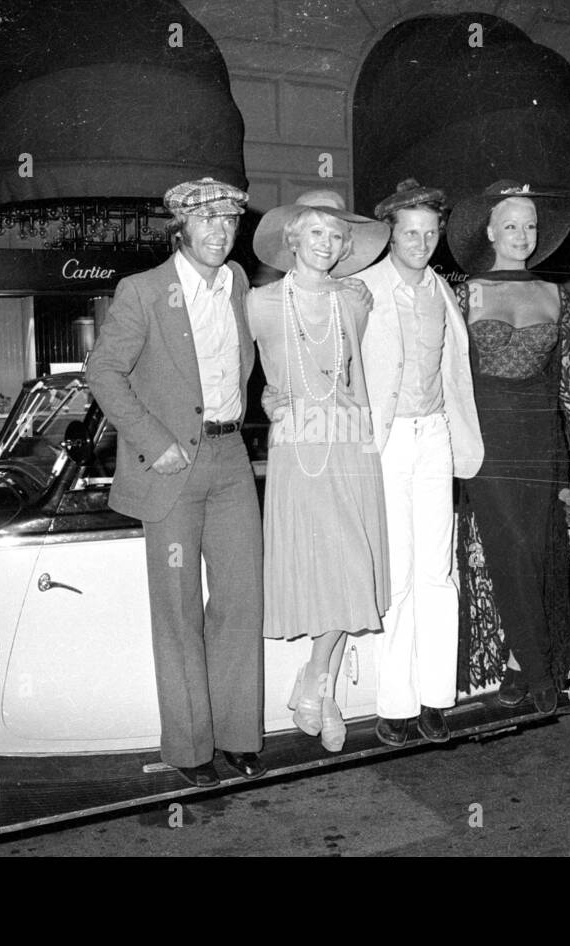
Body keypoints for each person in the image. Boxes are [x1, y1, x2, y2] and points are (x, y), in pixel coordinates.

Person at [85, 176, 265, 788]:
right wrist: (153, 442)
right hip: (173, 469)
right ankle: (189, 750)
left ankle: (239, 736)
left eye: (229, 222)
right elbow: (102, 372)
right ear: (180, 228)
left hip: (231, 457)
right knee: (179, 611)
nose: (220, 233)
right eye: (207, 222)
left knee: (242, 601)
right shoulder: (142, 291)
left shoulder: (239, 283)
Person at [447, 180, 570, 714]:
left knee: (535, 548)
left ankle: (518, 662)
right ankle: (540, 674)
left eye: (529, 225)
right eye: (510, 224)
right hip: (485, 435)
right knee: (508, 543)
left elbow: (567, 376)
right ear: (490, 231)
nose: (521, 235)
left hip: (541, 435)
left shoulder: (556, 296)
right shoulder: (464, 292)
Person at [248, 190, 390, 752]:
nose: (326, 245)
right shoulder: (258, 303)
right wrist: (264, 402)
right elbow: (240, 379)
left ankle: (315, 682)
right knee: (325, 571)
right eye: (315, 234)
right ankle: (322, 692)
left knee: (354, 568)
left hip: (351, 444)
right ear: (293, 240)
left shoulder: (355, 299)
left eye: (335, 236)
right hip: (298, 447)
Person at [356, 179, 483, 747]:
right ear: (391, 233)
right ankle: (395, 705)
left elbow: (456, 371)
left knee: (437, 571)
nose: (421, 243)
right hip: (386, 444)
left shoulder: (443, 292)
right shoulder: (362, 290)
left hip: (435, 438)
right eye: (410, 233)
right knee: (400, 574)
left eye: (430, 233)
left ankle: (435, 698)